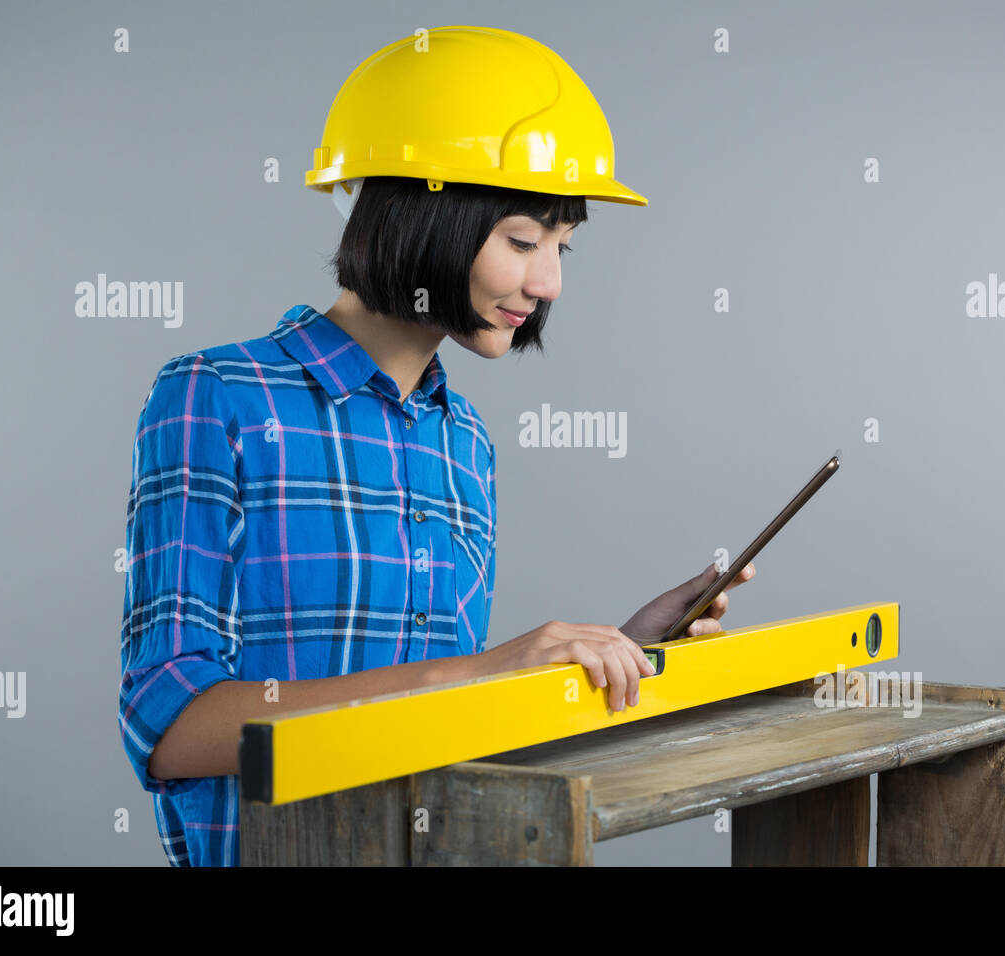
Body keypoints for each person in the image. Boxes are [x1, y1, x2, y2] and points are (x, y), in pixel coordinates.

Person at [117, 26, 755, 867]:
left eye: (563, 248)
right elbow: (169, 728)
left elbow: (450, 724)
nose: (549, 283)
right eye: (524, 241)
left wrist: (614, 651)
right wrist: (476, 672)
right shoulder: (216, 398)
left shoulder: (465, 444)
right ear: (419, 215)